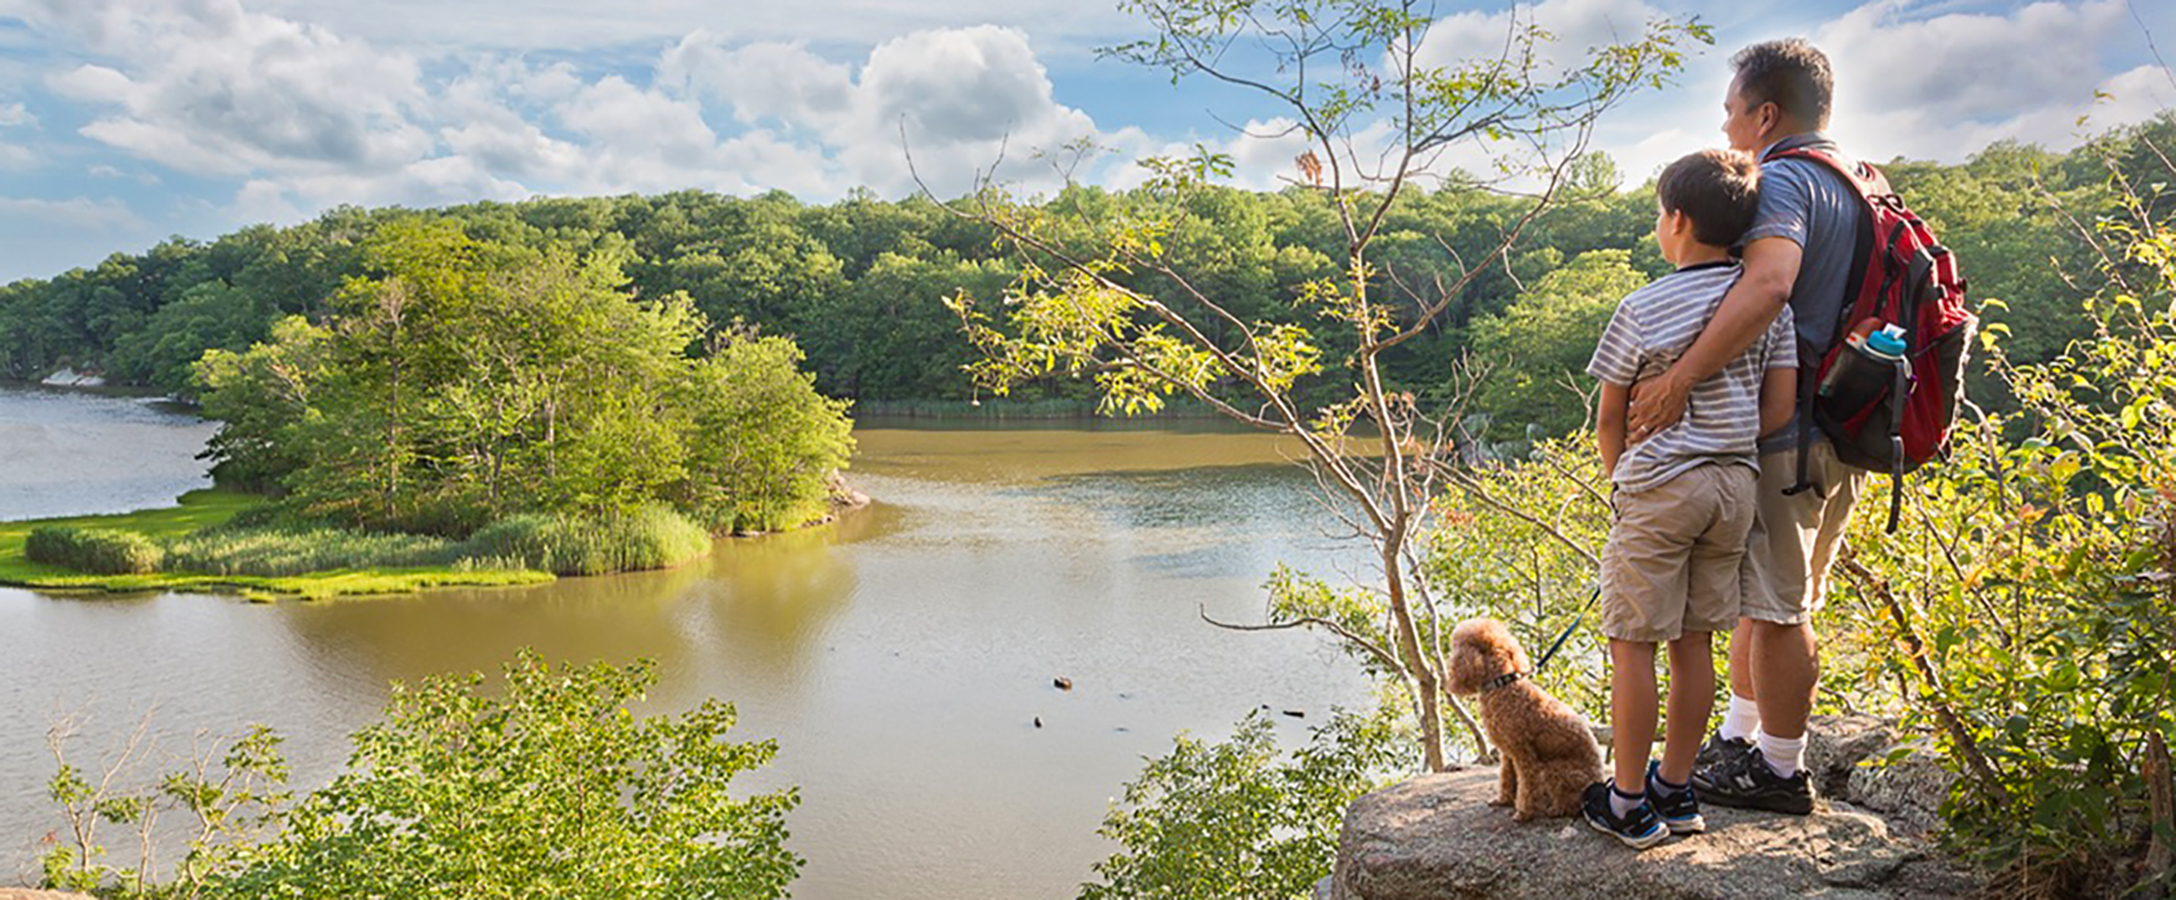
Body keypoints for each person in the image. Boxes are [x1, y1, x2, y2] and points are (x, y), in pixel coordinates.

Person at [1626, 39, 1864, 816]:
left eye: (1731, 111)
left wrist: (1678, 381)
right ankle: (1742, 740)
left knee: (1781, 609)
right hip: (1838, 426)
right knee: (1769, 600)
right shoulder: (1856, 179)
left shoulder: (1785, 179)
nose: (1726, 126)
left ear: (1765, 113)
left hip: (1790, 436)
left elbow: (1767, 287)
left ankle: (1781, 770)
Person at [1581, 148, 1796, 848]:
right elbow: (1778, 409)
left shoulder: (1642, 306)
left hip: (1661, 487)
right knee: (1694, 640)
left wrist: (1623, 482)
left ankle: (1627, 800)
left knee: (1632, 643)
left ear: (1675, 220)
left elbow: (1609, 417)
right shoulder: (1763, 307)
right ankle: (1676, 790)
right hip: (1733, 487)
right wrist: (1721, 438)